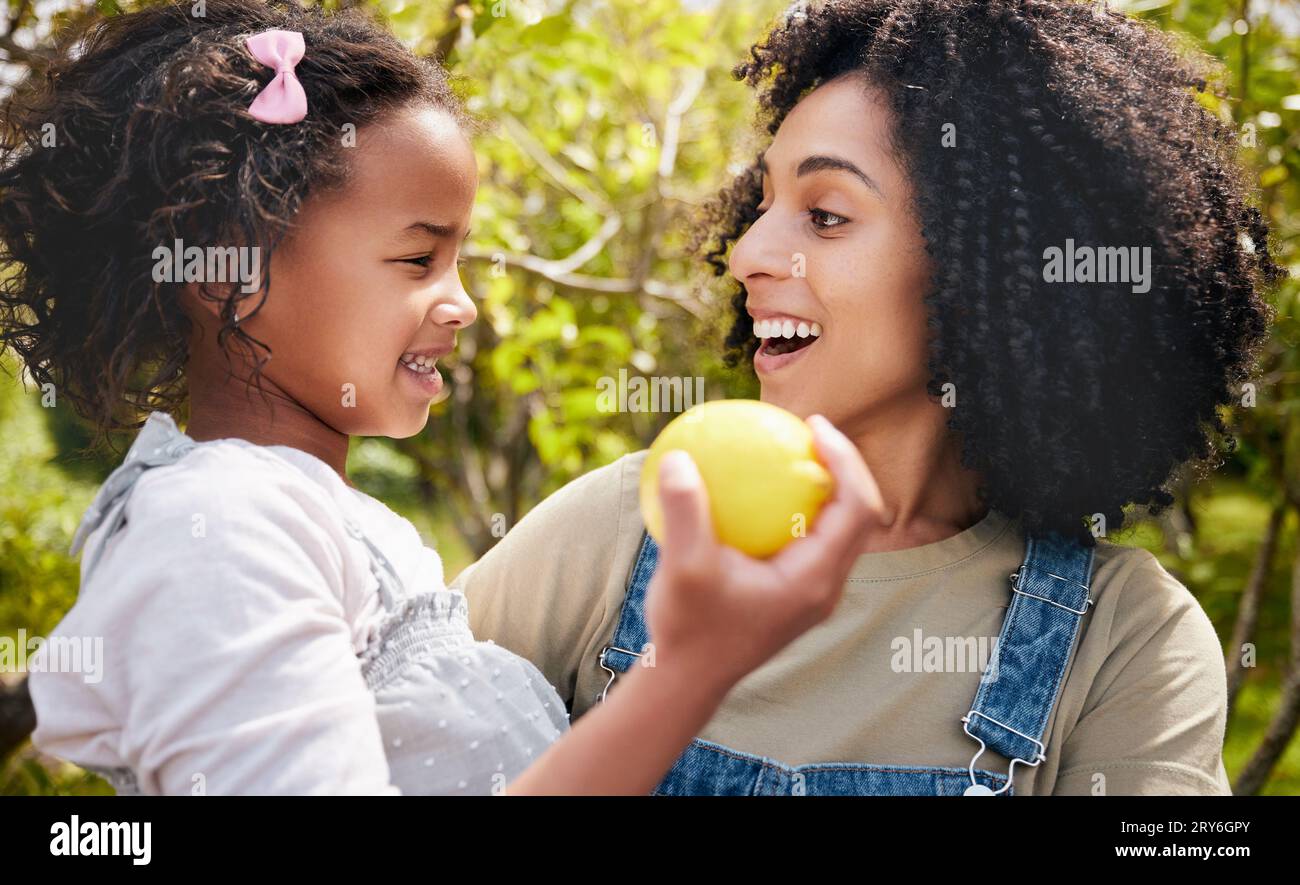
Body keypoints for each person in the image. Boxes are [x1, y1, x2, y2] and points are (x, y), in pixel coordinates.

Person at [0, 0, 888, 795]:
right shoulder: (220, 529)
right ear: (228, 272)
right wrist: (690, 672)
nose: (462, 302)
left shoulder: (328, 524)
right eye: (417, 259)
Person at [453, 0, 1286, 795]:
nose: (746, 252)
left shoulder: (1126, 639)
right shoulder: (630, 524)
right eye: (764, 200)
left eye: (825, 216)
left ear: (989, 274)